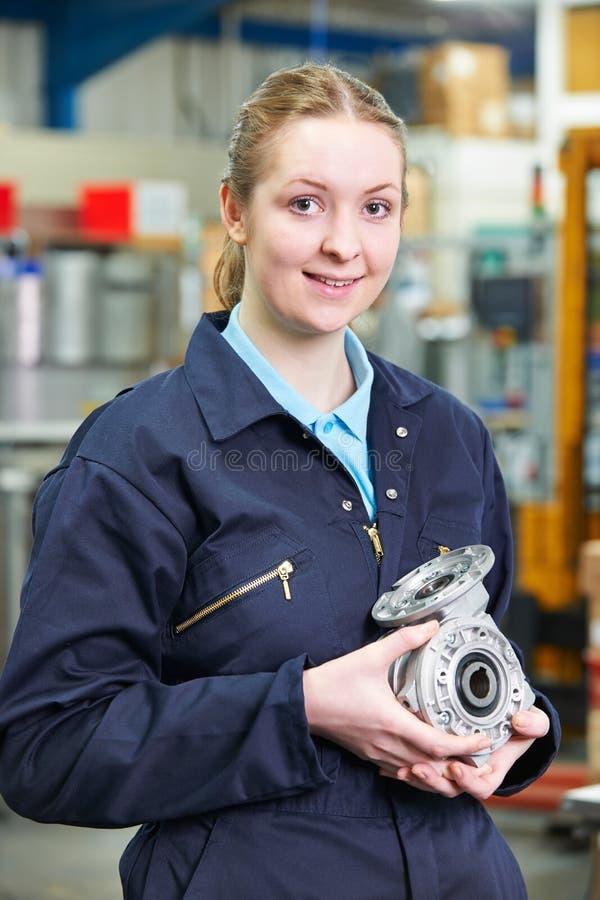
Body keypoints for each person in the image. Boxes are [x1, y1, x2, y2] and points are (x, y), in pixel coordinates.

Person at [0, 63, 558, 899]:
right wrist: (299, 710)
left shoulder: (449, 435)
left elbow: (485, 656)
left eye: (377, 207)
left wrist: (520, 732)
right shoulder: (141, 450)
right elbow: (48, 747)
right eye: (305, 204)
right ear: (235, 212)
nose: (346, 244)